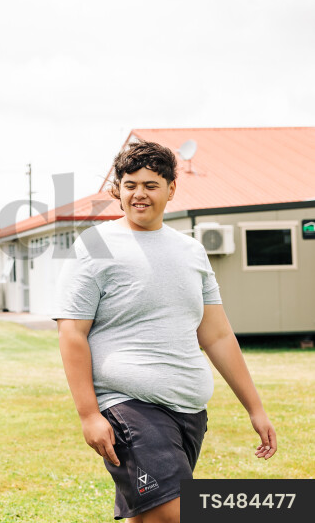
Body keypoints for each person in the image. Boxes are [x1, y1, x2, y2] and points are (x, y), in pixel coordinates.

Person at [55, 140, 277, 522]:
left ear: (171, 189)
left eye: (150, 185)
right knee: (176, 512)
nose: (139, 194)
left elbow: (217, 336)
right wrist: (89, 415)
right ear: (118, 190)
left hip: (189, 413)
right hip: (129, 406)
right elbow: (72, 333)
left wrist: (255, 408)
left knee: (149, 517)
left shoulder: (191, 252)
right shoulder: (94, 246)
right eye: (129, 185)